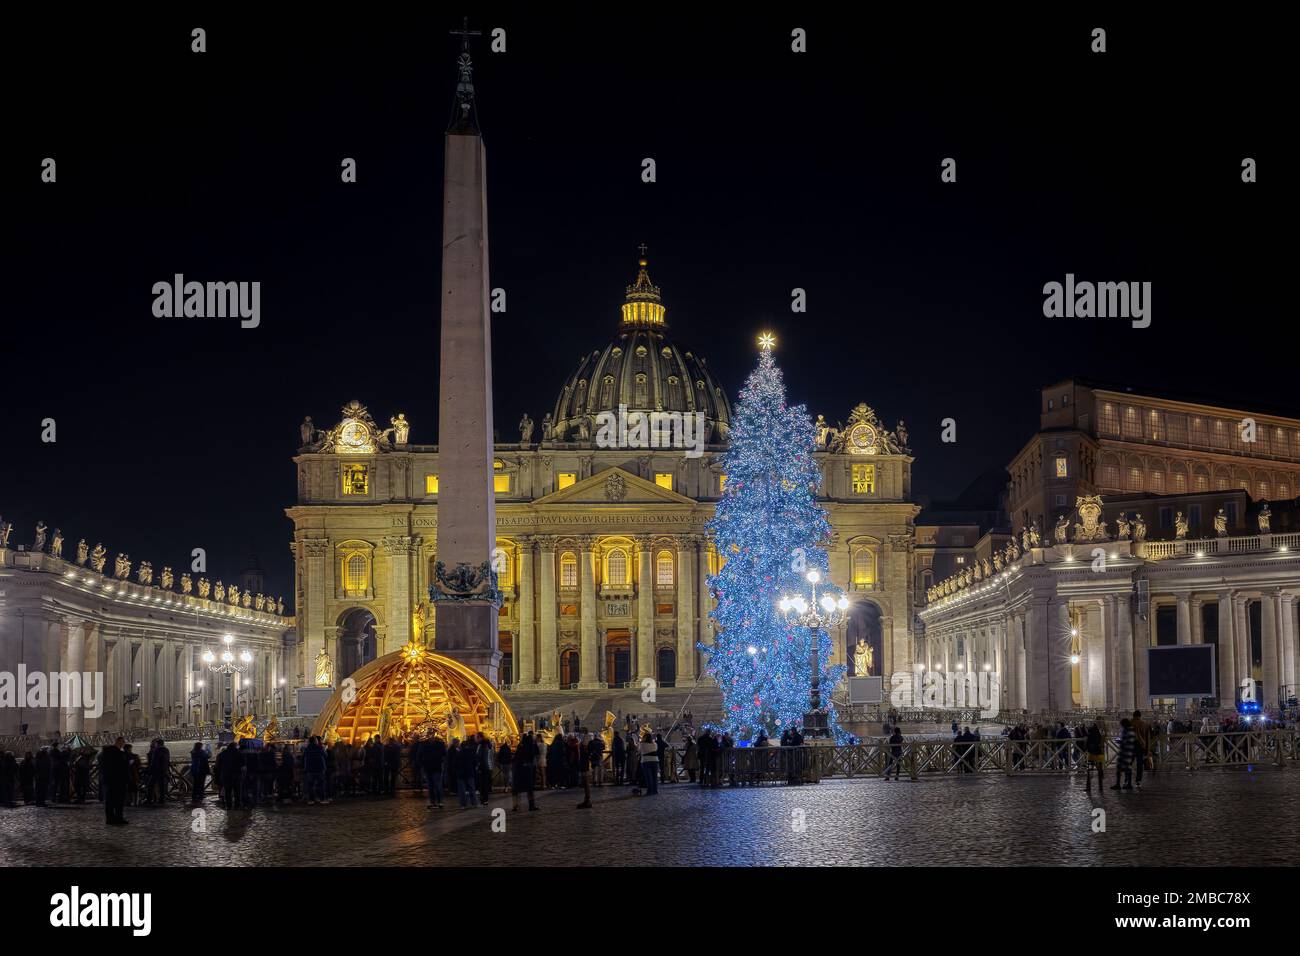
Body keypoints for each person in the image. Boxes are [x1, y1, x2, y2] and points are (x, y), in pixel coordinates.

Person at [99, 738, 129, 825]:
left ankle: (110, 819)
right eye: (123, 743)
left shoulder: (104, 753)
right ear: (119, 742)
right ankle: (118, 818)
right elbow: (124, 768)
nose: (123, 744)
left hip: (107, 780)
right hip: (118, 780)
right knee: (119, 801)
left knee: (109, 801)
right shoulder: (120, 754)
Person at [512, 732, 538, 812]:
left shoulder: (520, 746)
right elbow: (534, 755)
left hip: (518, 768)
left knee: (516, 788)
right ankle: (531, 805)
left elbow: (515, 757)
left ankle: (515, 805)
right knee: (529, 788)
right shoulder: (531, 746)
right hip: (527, 768)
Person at [420, 735, 447, 808]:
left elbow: (444, 754)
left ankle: (439, 801)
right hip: (430, 767)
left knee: (437, 785)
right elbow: (420, 755)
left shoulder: (438, 744)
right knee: (431, 786)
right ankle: (433, 802)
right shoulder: (424, 744)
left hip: (435, 767)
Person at [216, 742, 242, 810]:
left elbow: (218, 766)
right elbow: (243, 764)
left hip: (226, 775)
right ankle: (237, 805)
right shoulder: (239, 753)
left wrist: (218, 776)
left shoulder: (222, 754)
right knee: (237, 792)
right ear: (235, 746)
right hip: (236, 775)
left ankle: (228, 806)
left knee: (227, 792)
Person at [1112, 718, 1136, 790]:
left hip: (1125, 752)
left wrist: (1119, 741)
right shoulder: (1130, 730)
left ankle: (1120, 784)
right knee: (1127, 768)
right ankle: (1127, 784)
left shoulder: (1127, 731)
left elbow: (1125, 741)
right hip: (1128, 752)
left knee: (1122, 768)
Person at [303, 735, 328, 804]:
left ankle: (311, 800)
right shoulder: (320, 748)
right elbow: (325, 755)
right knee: (321, 784)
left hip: (310, 769)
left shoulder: (307, 749)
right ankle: (322, 799)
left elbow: (304, 758)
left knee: (310, 785)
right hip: (319, 768)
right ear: (315, 741)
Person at [456, 736, 479, 807]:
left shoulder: (459, 753)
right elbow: (475, 762)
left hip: (461, 773)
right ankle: (474, 803)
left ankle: (463, 804)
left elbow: (456, 763)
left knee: (462, 789)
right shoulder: (471, 753)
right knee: (472, 788)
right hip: (470, 772)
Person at [1131, 710, 1151, 788]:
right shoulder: (1144, 724)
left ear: (1133, 716)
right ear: (1140, 716)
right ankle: (1138, 781)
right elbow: (1147, 738)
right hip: (1140, 746)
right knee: (1140, 764)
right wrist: (1147, 750)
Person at [1084, 720, 1106, 793]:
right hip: (1099, 753)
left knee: (1089, 771)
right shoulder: (1101, 732)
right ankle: (1101, 787)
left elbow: (1088, 742)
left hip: (1092, 754)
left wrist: (1086, 748)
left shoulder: (1091, 732)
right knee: (1099, 770)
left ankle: (1088, 787)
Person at [476, 733, 495, 804]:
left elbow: (478, 757)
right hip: (489, 767)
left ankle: (483, 799)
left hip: (483, 767)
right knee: (486, 784)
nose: (476, 739)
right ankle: (486, 799)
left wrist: (477, 766)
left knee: (482, 784)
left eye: (476, 737)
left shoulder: (481, 746)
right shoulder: (489, 745)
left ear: (480, 738)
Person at [190, 742, 210, 806]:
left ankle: (194, 796)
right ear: (200, 746)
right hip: (201, 770)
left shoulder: (193, 752)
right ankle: (200, 796)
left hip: (194, 770)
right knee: (201, 784)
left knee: (195, 784)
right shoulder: (201, 752)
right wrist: (208, 749)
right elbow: (208, 756)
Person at [639, 731, 659, 796]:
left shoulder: (642, 744)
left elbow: (639, 750)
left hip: (646, 761)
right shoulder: (655, 744)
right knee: (654, 777)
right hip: (655, 760)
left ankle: (650, 791)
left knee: (648, 777)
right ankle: (655, 790)